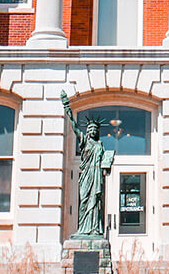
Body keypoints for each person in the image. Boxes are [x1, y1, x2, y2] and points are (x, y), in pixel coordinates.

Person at [62, 90, 110, 237]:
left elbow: (103, 161)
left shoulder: (100, 144)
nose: (93, 130)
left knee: (95, 202)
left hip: (96, 175)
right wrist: (68, 111)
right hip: (86, 174)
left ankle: (95, 229)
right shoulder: (84, 140)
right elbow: (75, 128)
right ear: (87, 131)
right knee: (84, 201)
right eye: (90, 128)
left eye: (95, 129)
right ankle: (83, 229)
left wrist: (106, 165)